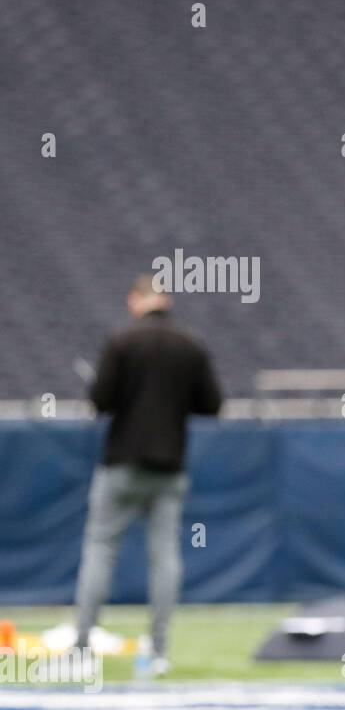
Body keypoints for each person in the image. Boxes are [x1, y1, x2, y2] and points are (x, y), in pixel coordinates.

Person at [73, 274, 223, 677]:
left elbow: (100, 400)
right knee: (165, 557)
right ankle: (158, 651)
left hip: (122, 461)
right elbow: (212, 404)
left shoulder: (122, 340)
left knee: (101, 548)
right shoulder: (189, 344)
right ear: (166, 300)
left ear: (134, 300)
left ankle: (83, 647)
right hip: (169, 465)